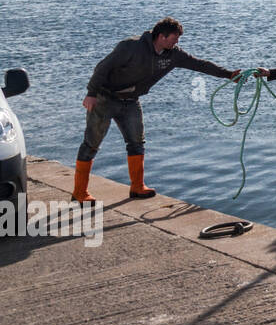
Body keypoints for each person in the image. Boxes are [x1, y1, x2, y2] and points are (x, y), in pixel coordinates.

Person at [75, 17, 240, 204]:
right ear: (161, 36)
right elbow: (102, 68)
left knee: (137, 142)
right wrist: (91, 93)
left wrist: (228, 74)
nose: (177, 42)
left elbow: (199, 65)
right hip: (105, 98)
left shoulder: (173, 54)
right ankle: (80, 192)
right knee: (92, 144)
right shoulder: (130, 47)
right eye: (174, 38)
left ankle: (137, 187)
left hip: (130, 101)